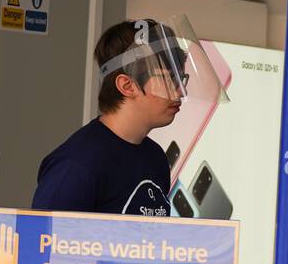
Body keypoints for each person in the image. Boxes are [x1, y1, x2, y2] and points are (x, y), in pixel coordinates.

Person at [32, 19, 186, 216]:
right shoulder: (77, 165)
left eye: (180, 79)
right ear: (126, 85)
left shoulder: (155, 158)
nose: (180, 91)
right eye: (167, 79)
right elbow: (40, 241)